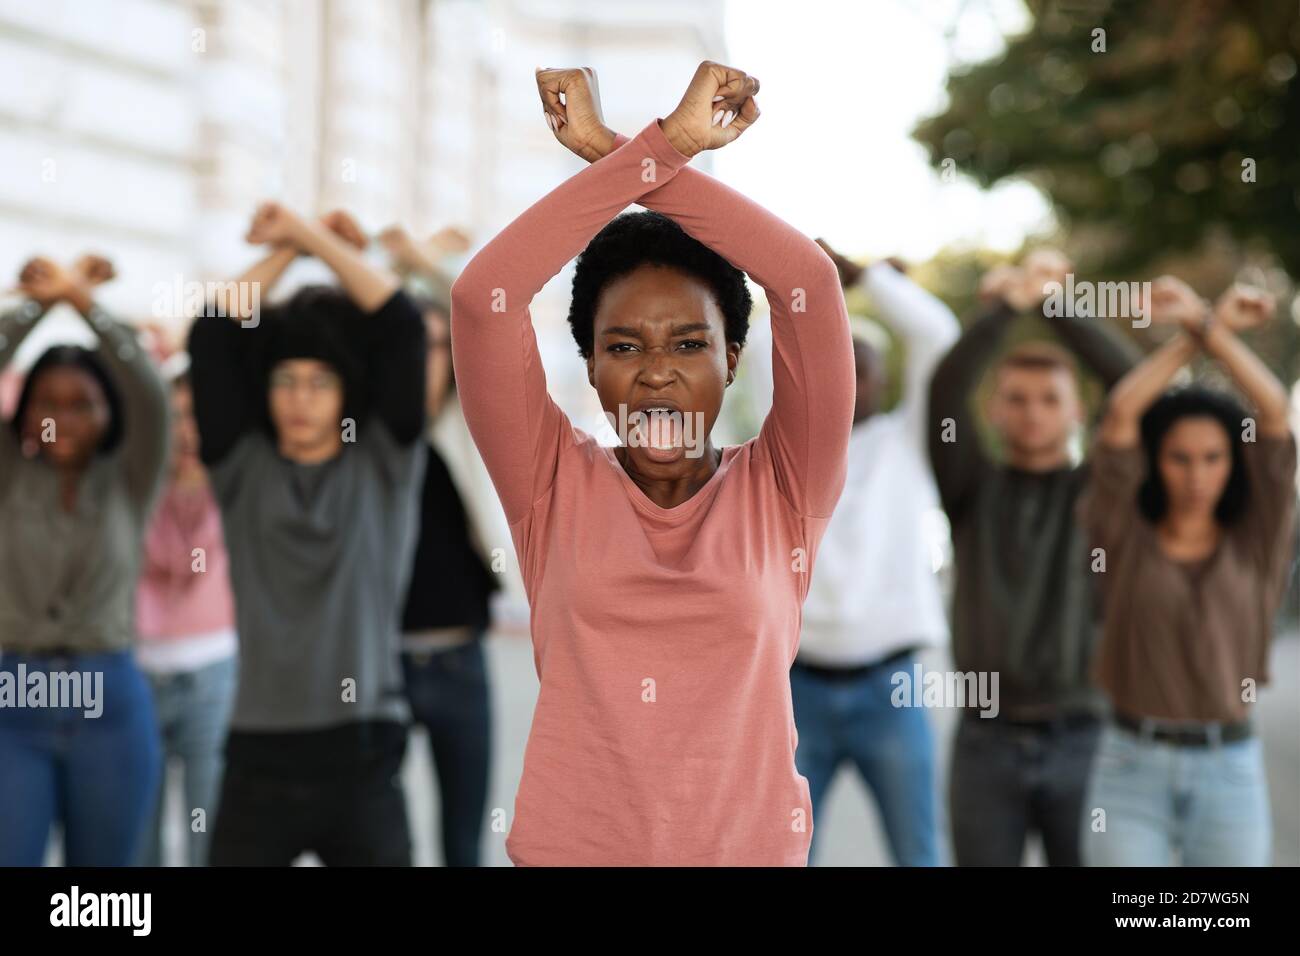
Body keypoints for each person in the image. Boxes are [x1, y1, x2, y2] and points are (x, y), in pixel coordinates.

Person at [449, 61, 854, 866]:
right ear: (592, 368)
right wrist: (660, 149)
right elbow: (481, 298)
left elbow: (808, 282)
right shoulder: (549, 485)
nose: (657, 370)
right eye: (623, 346)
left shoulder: (786, 488)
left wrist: (629, 155)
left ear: (733, 359)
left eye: (691, 344)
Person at [189, 205, 427, 866]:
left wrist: (312, 239)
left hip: (364, 753)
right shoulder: (242, 467)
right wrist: (289, 251)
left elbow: (400, 323)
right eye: (285, 382)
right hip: (258, 758)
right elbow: (212, 331)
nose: (300, 399)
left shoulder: (383, 462)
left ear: (346, 393)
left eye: (319, 383)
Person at [928, 253, 1141, 866]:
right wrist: (1002, 312)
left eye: (1050, 398)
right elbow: (947, 390)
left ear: (1077, 411)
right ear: (995, 409)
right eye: (1016, 398)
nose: (1032, 411)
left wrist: (1055, 303)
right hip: (985, 741)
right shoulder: (969, 485)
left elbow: (1130, 385)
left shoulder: (1103, 488)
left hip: (1087, 735)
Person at [1079, 277, 1296, 866]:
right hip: (1129, 766)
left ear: (1234, 463)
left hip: (1229, 768)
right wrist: (1192, 337)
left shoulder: (1259, 538)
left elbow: (1273, 410)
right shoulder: (1123, 536)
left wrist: (1212, 329)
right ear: (1155, 462)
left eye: (1212, 457)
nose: (1196, 475)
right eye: (1179, 457)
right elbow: (1125, 410)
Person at [791, 242, 958, 866]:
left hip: (892, 688)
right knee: (784, 854)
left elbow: (938, 333)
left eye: (865, 366)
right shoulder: (792, 448)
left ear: (885, 379)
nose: (854, 379)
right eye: (840, 365)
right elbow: (754, 348)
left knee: (920, 855)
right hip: (798, 690)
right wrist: (806, 282)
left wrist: (864, 278)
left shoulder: (909, 442)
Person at [0, 254, 169, 866]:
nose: (61, 420)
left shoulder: (131, 475)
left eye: (82, 404)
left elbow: (149, 391)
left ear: (107, 413)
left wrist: (87, 305)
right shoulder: (9, 476)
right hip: (14, 698)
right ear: (24, 411)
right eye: (47, 402)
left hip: (111, 704)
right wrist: (37, 305)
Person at [397, 296, 499, 867]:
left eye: (435, 345)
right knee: (382, 843)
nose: (423, 360)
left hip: (461, 659)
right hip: (381, 663)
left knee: (464, 843)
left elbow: (488, 314)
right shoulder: (369, 434)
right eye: (411, 345)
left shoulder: (470, 426)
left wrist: (424, 261)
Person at [134, 357, 238, 867]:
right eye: (173, 418)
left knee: (211, 834)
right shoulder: (135, 486)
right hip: (140, 675)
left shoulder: (233, 485)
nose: (186, 433)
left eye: (197, 417)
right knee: (140, 840)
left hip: (212, 677)